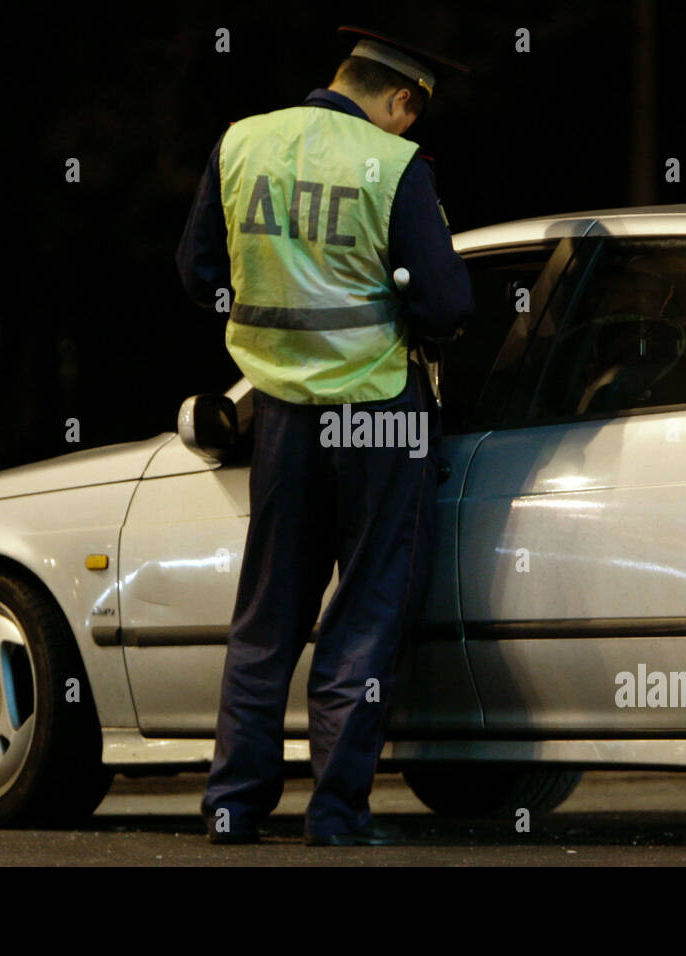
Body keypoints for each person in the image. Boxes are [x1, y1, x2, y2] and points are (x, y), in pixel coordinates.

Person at [176, 25, 473, 846]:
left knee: (267, 615)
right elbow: (447, 306)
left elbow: (200, 273)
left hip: (279, 415)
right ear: (401, 100)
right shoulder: (392, 165)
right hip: (378, 411)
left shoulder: (242, 143)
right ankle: (336, 815)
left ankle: (234, 807)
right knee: (367, 615)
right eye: (411, 116)